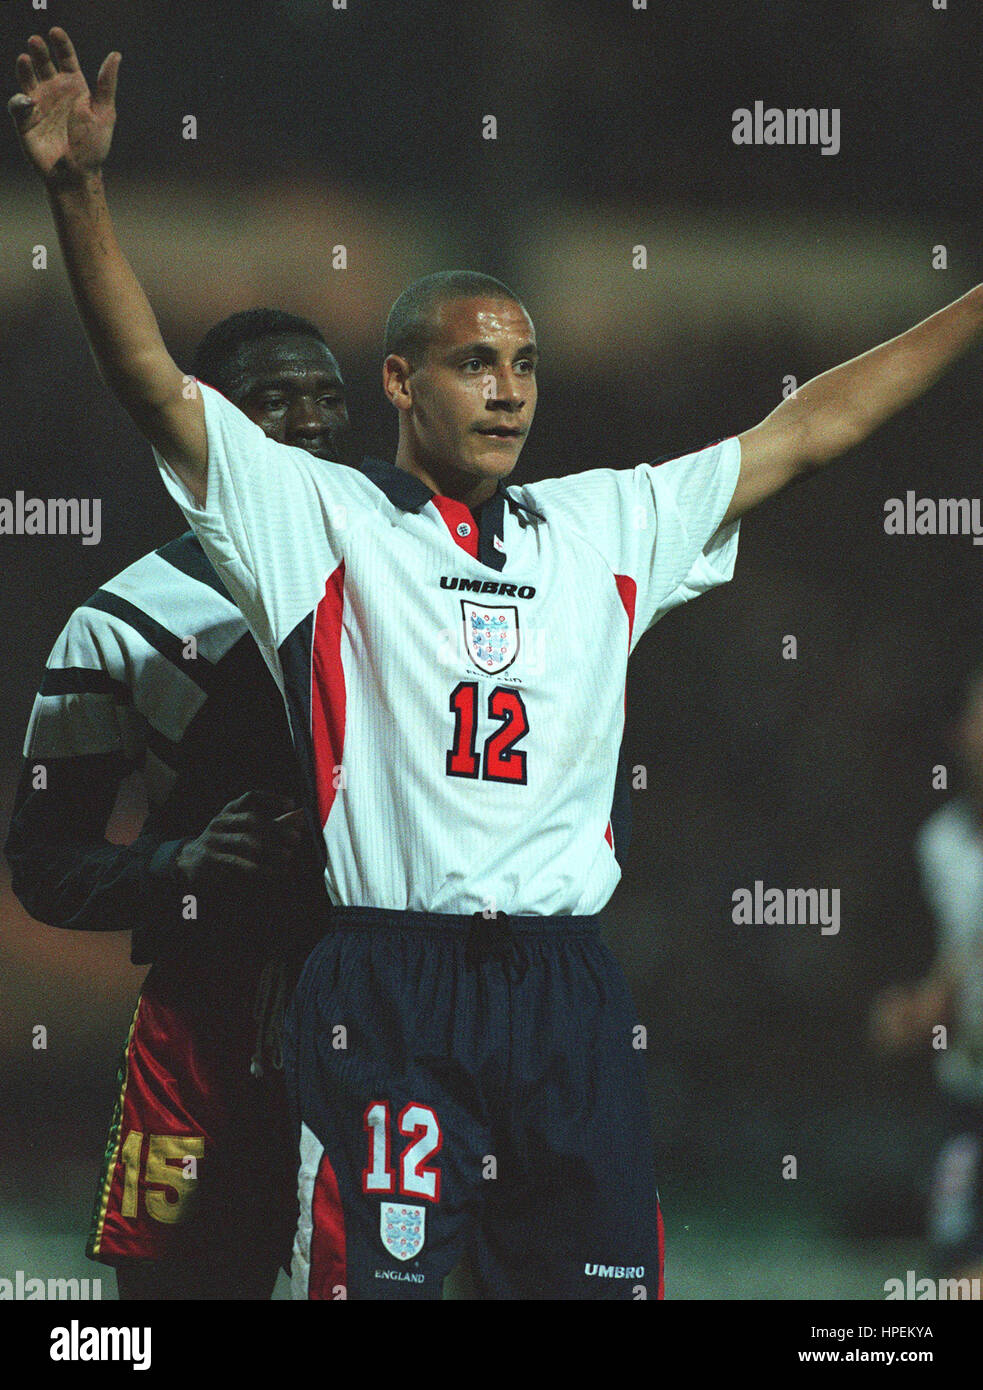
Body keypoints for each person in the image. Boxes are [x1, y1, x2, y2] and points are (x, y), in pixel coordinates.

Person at [11, 26, 983, 1299]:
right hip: (385, 980)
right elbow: (150, 381)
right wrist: (78, 189)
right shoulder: (322, 525)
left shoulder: (604, 522)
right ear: (401, 382)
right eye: (476, 362)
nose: (508, 388)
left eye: (524, 362)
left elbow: (807, 428)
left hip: (564, 990)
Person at [5, 307, 354, 1300]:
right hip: (202, 1017)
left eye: (329, 396)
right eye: (274, 400)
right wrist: (182, 866)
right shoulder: (119, 622)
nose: (313, 420)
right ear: (199, 428)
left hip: (377, 999)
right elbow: (43, 861)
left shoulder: (409, 584)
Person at [870, 664, 983, 1295]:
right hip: (967, 1099)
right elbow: (947, 979)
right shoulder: (942, 844)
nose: (974, 732)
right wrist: (911, 1012)